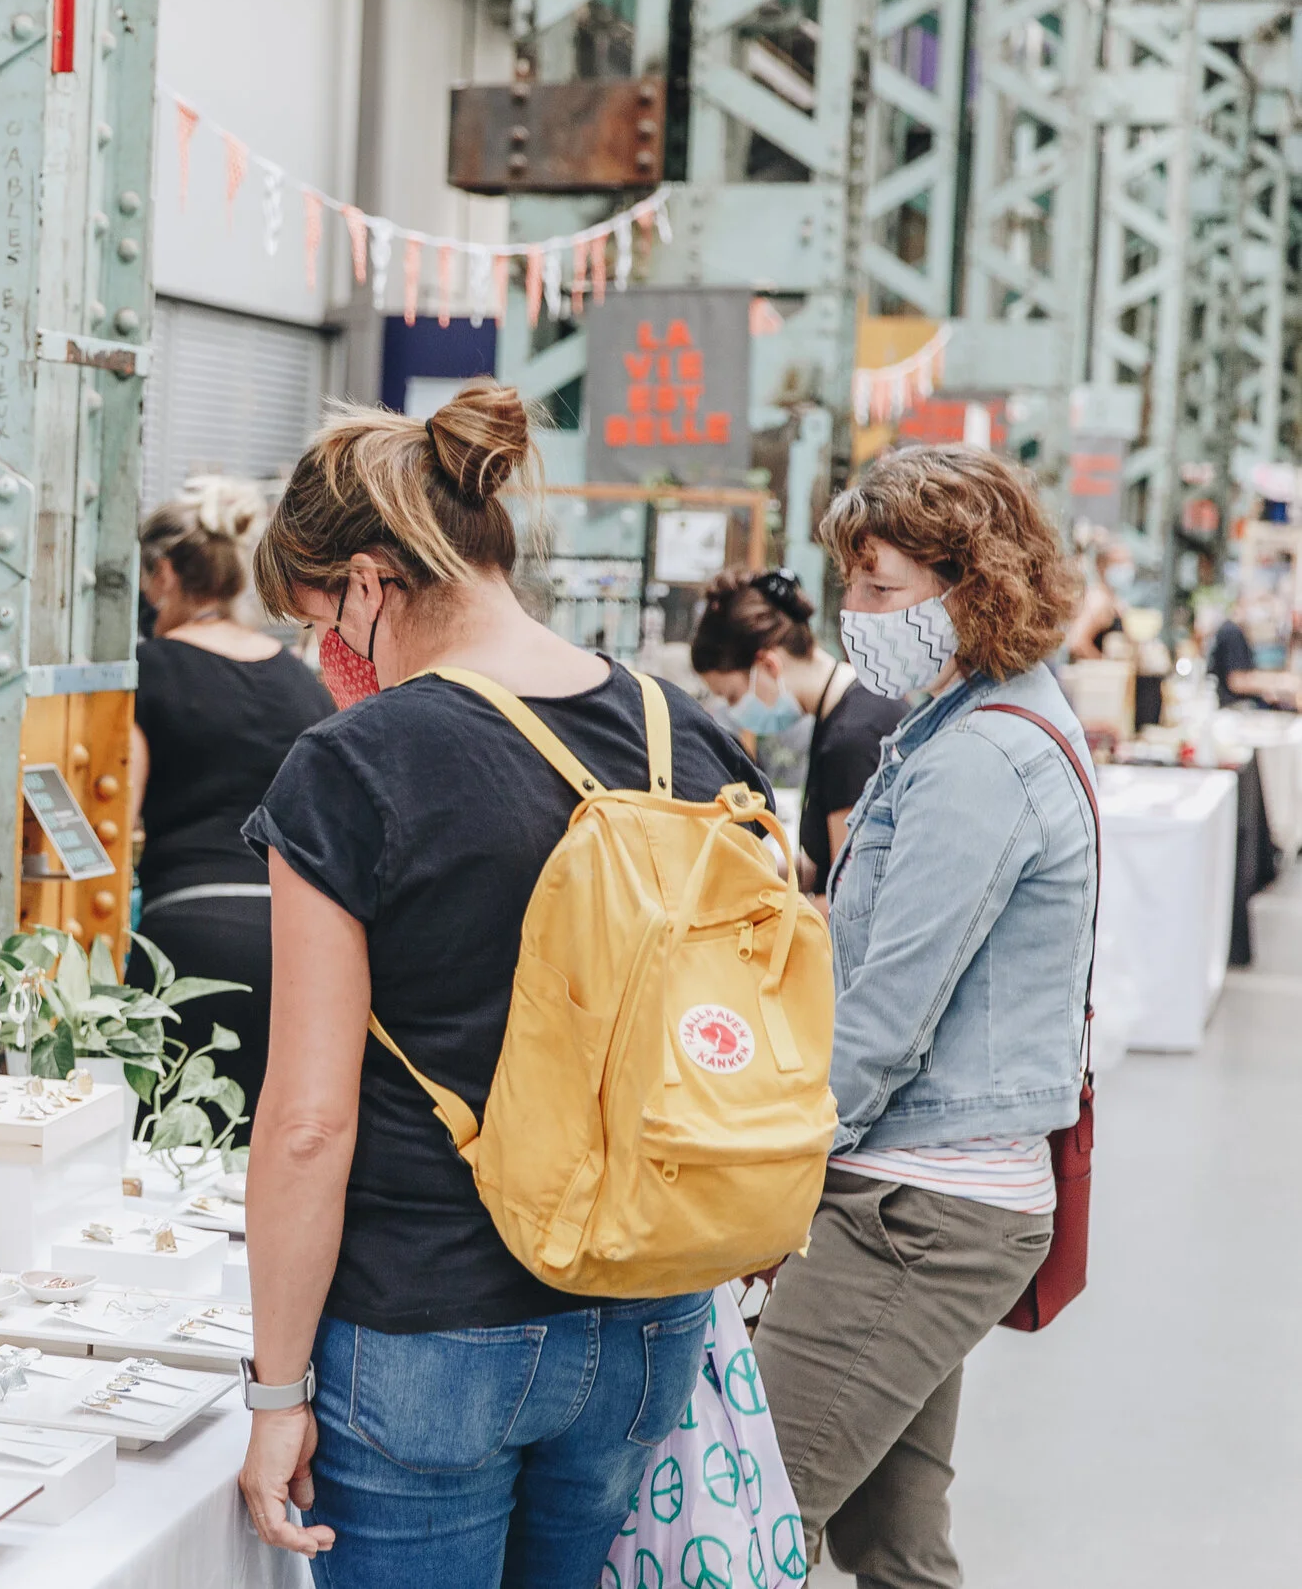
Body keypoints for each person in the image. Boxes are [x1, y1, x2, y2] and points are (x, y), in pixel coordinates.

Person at [233, 385, 770, 1585]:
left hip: (429, 1322)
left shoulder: (352, 765)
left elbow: (310, 1119)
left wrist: (275, 1391)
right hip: (650, 1303)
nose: (315, 647)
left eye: (316, 611)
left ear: (369, 580)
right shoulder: (687, 734)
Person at [754, 445, 1098, 1589]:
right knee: (893, 1543)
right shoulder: (991, 714)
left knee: (752, 1510)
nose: (855, 615)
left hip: (915, 1208)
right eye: (851, 586)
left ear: (973, 585)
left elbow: (889, 1016)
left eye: (882, 590)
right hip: (948, 1194)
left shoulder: (979, 758)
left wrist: (768, 1176)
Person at [127, 477, 335, 1116]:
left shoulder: (148, 671)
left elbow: (116, 816)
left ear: (163, 573)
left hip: (183, 944)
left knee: (164, 1157)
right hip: (298, 950)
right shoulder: (302, 683)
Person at [690, 566, 904, 897]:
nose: (734, 712)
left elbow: (851, 907)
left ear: (768, 665)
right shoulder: (846, 714)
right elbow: (822, 869)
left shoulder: (852, 740)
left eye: (733, 696)